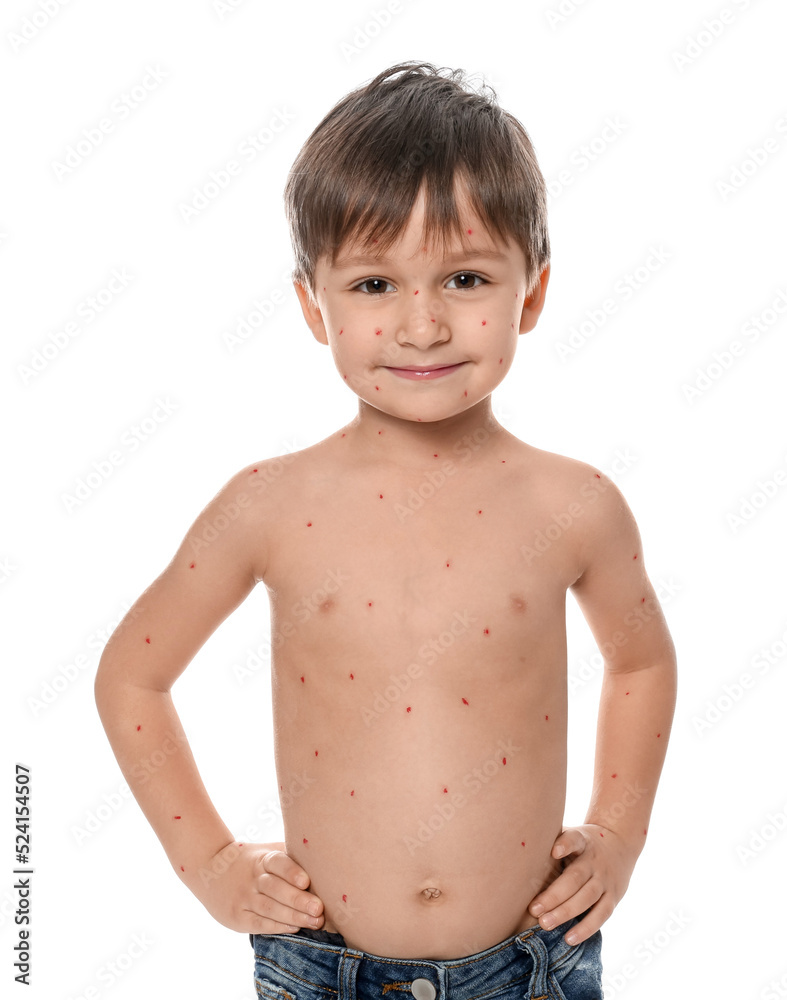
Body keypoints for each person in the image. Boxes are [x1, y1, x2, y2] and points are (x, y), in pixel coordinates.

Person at [95, 61, 677, 999]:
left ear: (529, 294)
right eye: (372, 282)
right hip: (322, 966)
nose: (421, 324)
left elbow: (642, 661)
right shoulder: (269, 504)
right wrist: (209, 864)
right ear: (310, 306)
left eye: (463, 277)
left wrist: (616, 833)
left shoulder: (576, 506)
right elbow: (132, 674)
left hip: (532, 966)